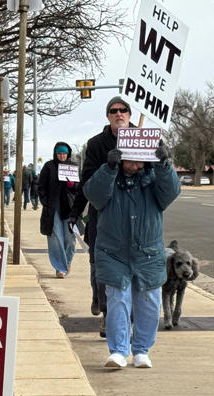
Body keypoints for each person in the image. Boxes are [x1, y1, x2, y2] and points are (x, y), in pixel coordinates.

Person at [83, 140, 180, 369]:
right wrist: (108, 169)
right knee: (117, 300)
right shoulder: (109, 176)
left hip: (148, 253)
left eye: (139, 158)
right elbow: (93, 195)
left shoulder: (154, 180)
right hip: (113, 252)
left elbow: (171, 192)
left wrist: (164, 164)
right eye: (129, 157)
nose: (134, 163)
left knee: (148, 302)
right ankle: (118, 351)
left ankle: (141, 350)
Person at [70, 95, 135, 336]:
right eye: (113, 110)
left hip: (133, 218)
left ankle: (126, 318)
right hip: (102, 216)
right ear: (107, 116)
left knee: (132, 270)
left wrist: (162, 162)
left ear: (129, 114)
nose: (119, 114)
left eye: (124, 110)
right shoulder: (96, 144)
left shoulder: (145, 139)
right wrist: (76, 212)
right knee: (100, 267)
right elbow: (85, 183)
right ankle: (106, 312)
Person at [38, 142, 80, 278]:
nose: (62, 156)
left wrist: (72, 185)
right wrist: (45, 202)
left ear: (68, 154)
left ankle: (66, 262)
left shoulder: (73, 166)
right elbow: (41, 186)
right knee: (56, 238)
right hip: (53, 208)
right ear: (55, 154)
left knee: (70, 238)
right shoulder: (49, 166)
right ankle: (60, 268)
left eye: (64, 153)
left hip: (69, 208)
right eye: (59, 153)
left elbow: (79, 188)